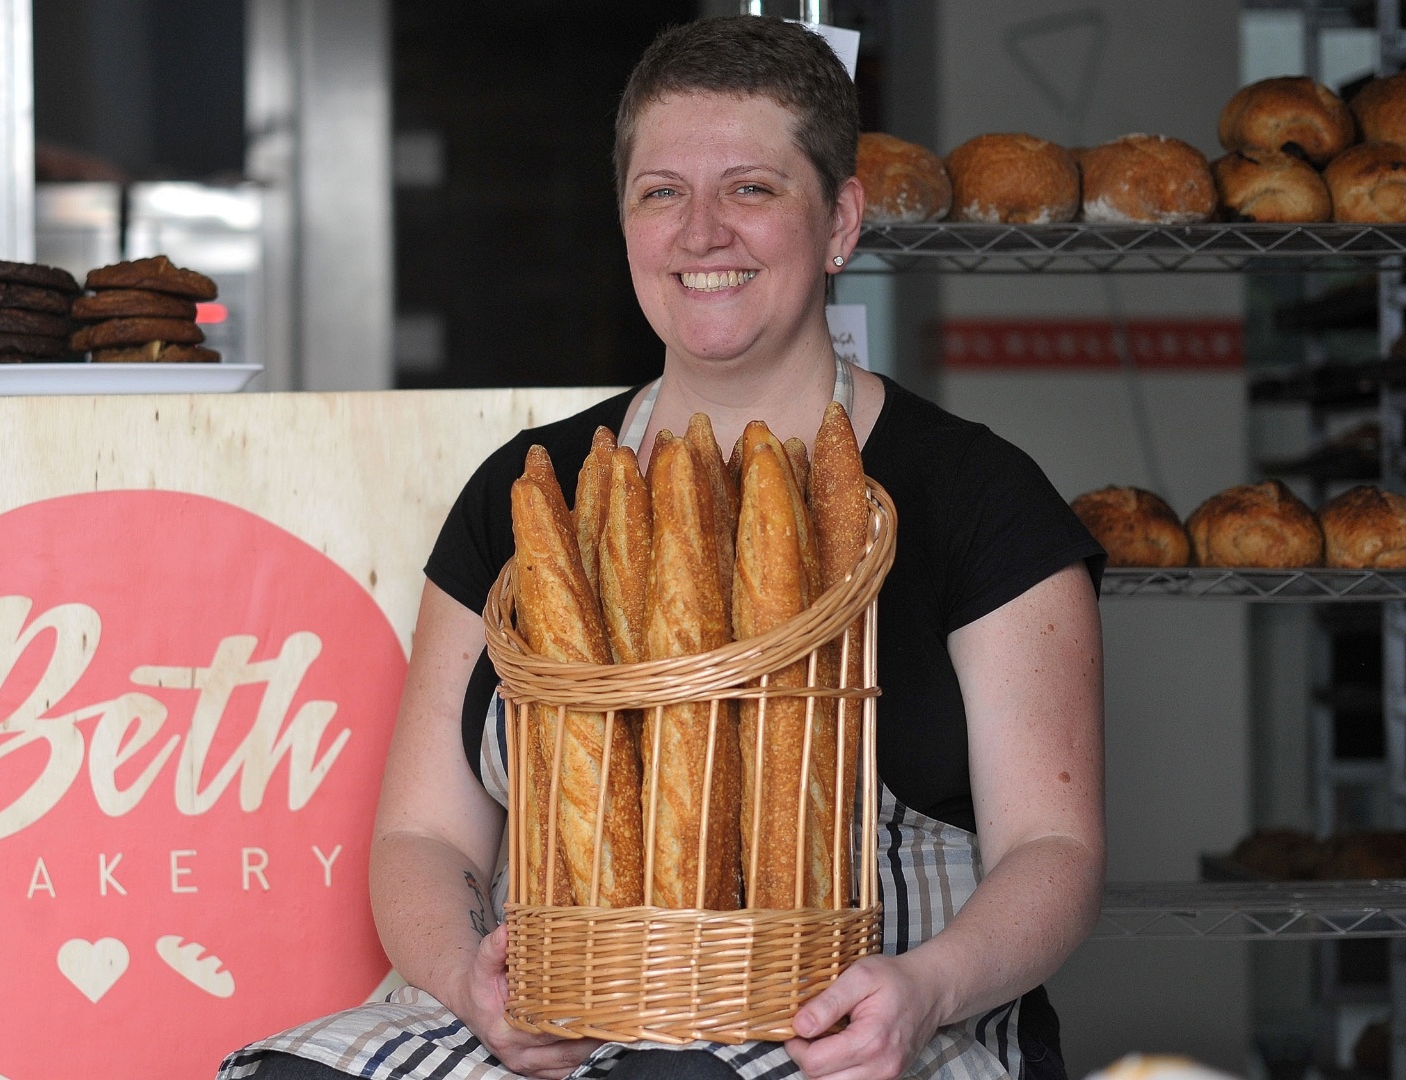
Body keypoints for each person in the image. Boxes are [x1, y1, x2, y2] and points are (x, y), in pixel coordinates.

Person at [221, 16, 1105, 1080]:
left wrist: (928, 988)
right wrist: (470, 982)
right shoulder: (528, 494)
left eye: (751, 188)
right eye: (660, 193)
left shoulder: (973, 494)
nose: (700, 233)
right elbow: (425, 840)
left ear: (841, 221)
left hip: (869, 1027)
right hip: (554, 1026)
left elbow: (1051, 850)